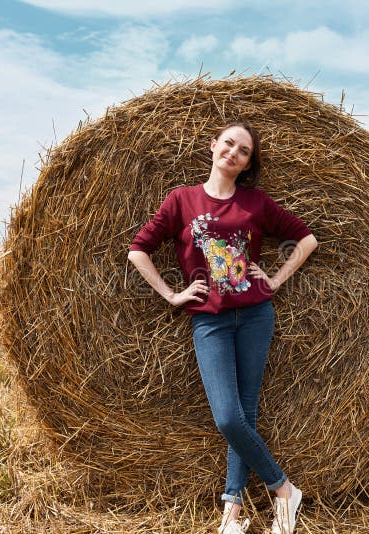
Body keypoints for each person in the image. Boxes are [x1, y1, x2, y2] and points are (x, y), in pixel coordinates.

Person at [128, 121, 318, 534]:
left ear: (248, 163)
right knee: (229, 418)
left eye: (243, 151)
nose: (233, 152)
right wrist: (172, 295)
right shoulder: (181, 200)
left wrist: (277, 278)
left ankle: (231, 514)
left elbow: (306, 239)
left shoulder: (255, 203)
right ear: (214, 146)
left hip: (255, 314)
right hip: (209, 321)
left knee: (245, 413)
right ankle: (284, 489)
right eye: (228, 143)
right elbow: (138, 250)